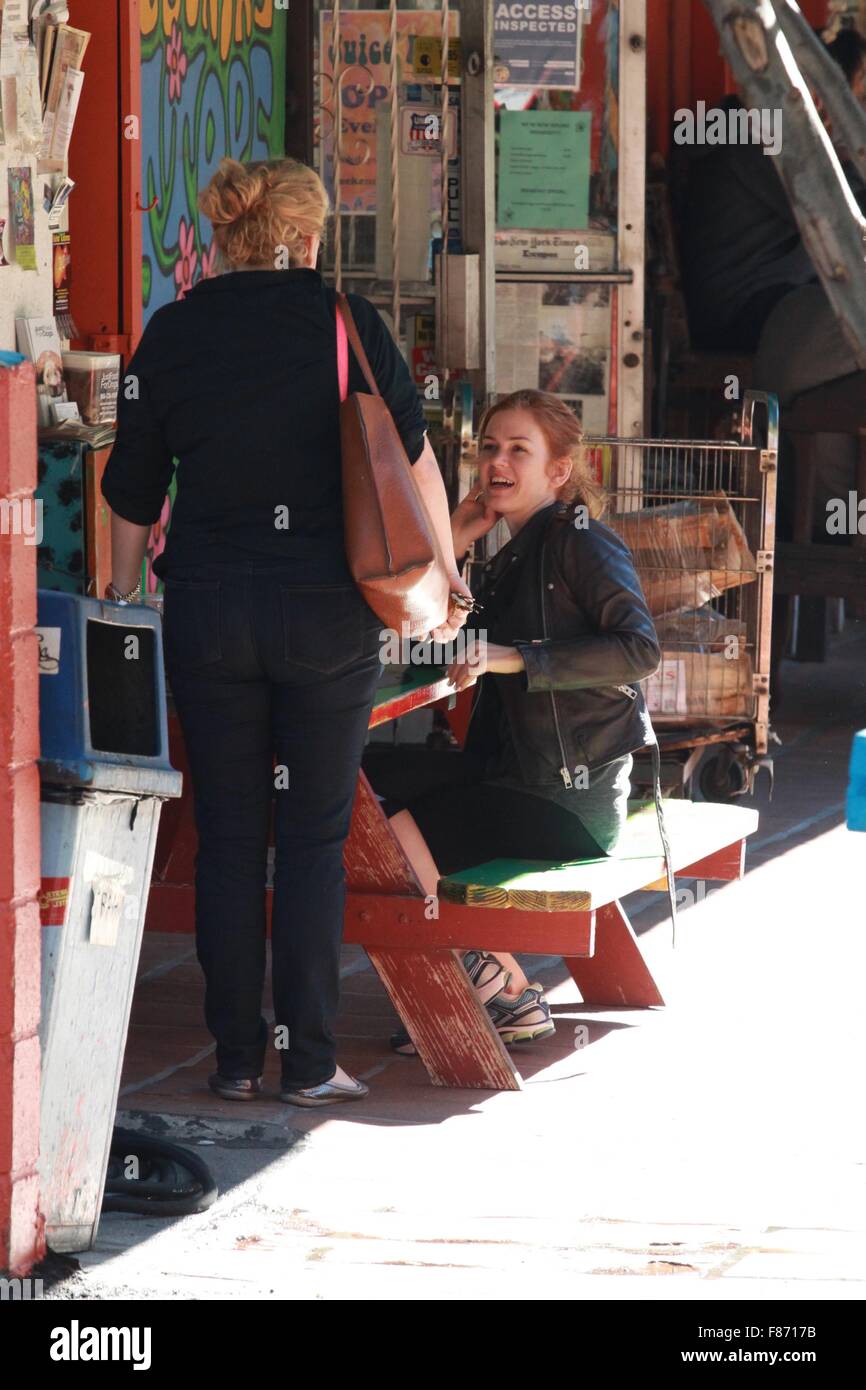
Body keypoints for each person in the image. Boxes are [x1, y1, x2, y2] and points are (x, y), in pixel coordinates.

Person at [100, 157, 472, 1107]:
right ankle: (308, 1062)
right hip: (325, 614)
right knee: (308, 842)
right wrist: (448, 584)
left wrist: (119, 593)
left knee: (226, 836)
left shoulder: (174, 333)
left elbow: (132, 490)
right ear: (308, 239)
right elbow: (413, 464)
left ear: (224, 240)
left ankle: (232, 1060)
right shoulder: (347, 326)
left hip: (211, 611)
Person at [362, 390, 661, 1053]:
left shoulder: (582, 542)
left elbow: (640, 651)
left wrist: (514, 657)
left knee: (374, 822)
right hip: (515, 775)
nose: (497, 462)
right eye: (489, 447)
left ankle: (497, 986)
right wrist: (456, 540)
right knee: (362, 779)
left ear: (559, 471)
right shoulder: (516, 547)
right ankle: (487, 975)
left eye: (518, 451)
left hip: (565, 797)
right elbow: (431, 641)